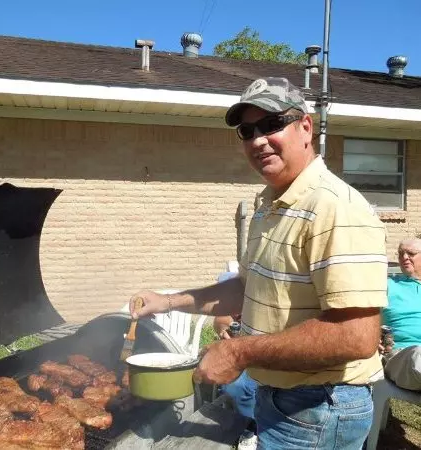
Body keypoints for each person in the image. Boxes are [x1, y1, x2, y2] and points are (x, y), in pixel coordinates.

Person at [130, 77, 388, 449]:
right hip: (281, 395)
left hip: (318, 406)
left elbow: (356, 336)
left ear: (305, 127)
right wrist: (169, 301)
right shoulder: (271, 204)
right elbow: (246, 289)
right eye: (247, 131)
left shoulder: (335, 208)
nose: (257, 140)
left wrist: (238, 350)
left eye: (271, 125)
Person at [381, 238, 421, 391]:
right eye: (400, 254)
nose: (404, 257)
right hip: (403, 354)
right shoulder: (388, 285)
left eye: (410, 253)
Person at [214, 314, 258, 450]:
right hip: (241, 354)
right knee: (236, 385)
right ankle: (248, 430)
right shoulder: (247, 294)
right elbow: (220, 319)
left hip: (282, 351)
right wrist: (224, 328)